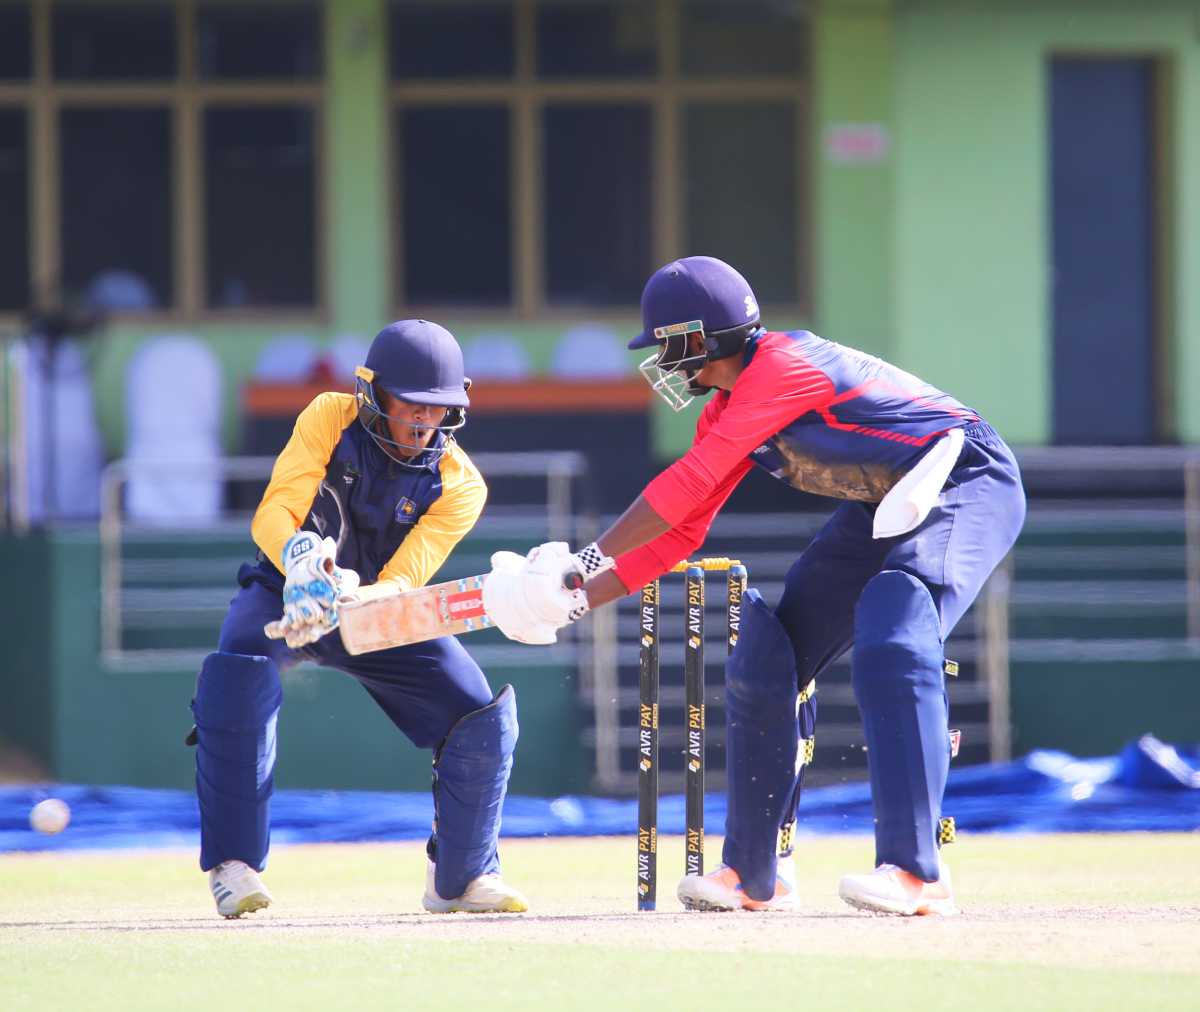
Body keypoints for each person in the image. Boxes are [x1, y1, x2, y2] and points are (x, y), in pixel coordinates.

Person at [483, 256, 1026, 915]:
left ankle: (919, 872)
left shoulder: (782, 366)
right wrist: (573, 599)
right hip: (884, 503)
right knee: (767, 655)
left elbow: (678, 488)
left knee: (896, 628)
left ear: (698, 339)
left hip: (966, 476)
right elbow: (682, 532)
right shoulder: (726, 412)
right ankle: (754, 874)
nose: (660, 359)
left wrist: (585, 561)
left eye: (665, 344)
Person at [191, 319, 528, 919]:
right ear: (373, 393)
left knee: (477, 711)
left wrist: (358, 595)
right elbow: (276, 510)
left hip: (375, 609)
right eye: (412, 405)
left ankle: (465, 874)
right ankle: (234, 866)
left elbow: (406, 577)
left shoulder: (461, 484)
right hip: (283, 590)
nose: (424, 422)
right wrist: (299, 561)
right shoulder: (329, 414)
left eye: (439, 409)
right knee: (237, 672)